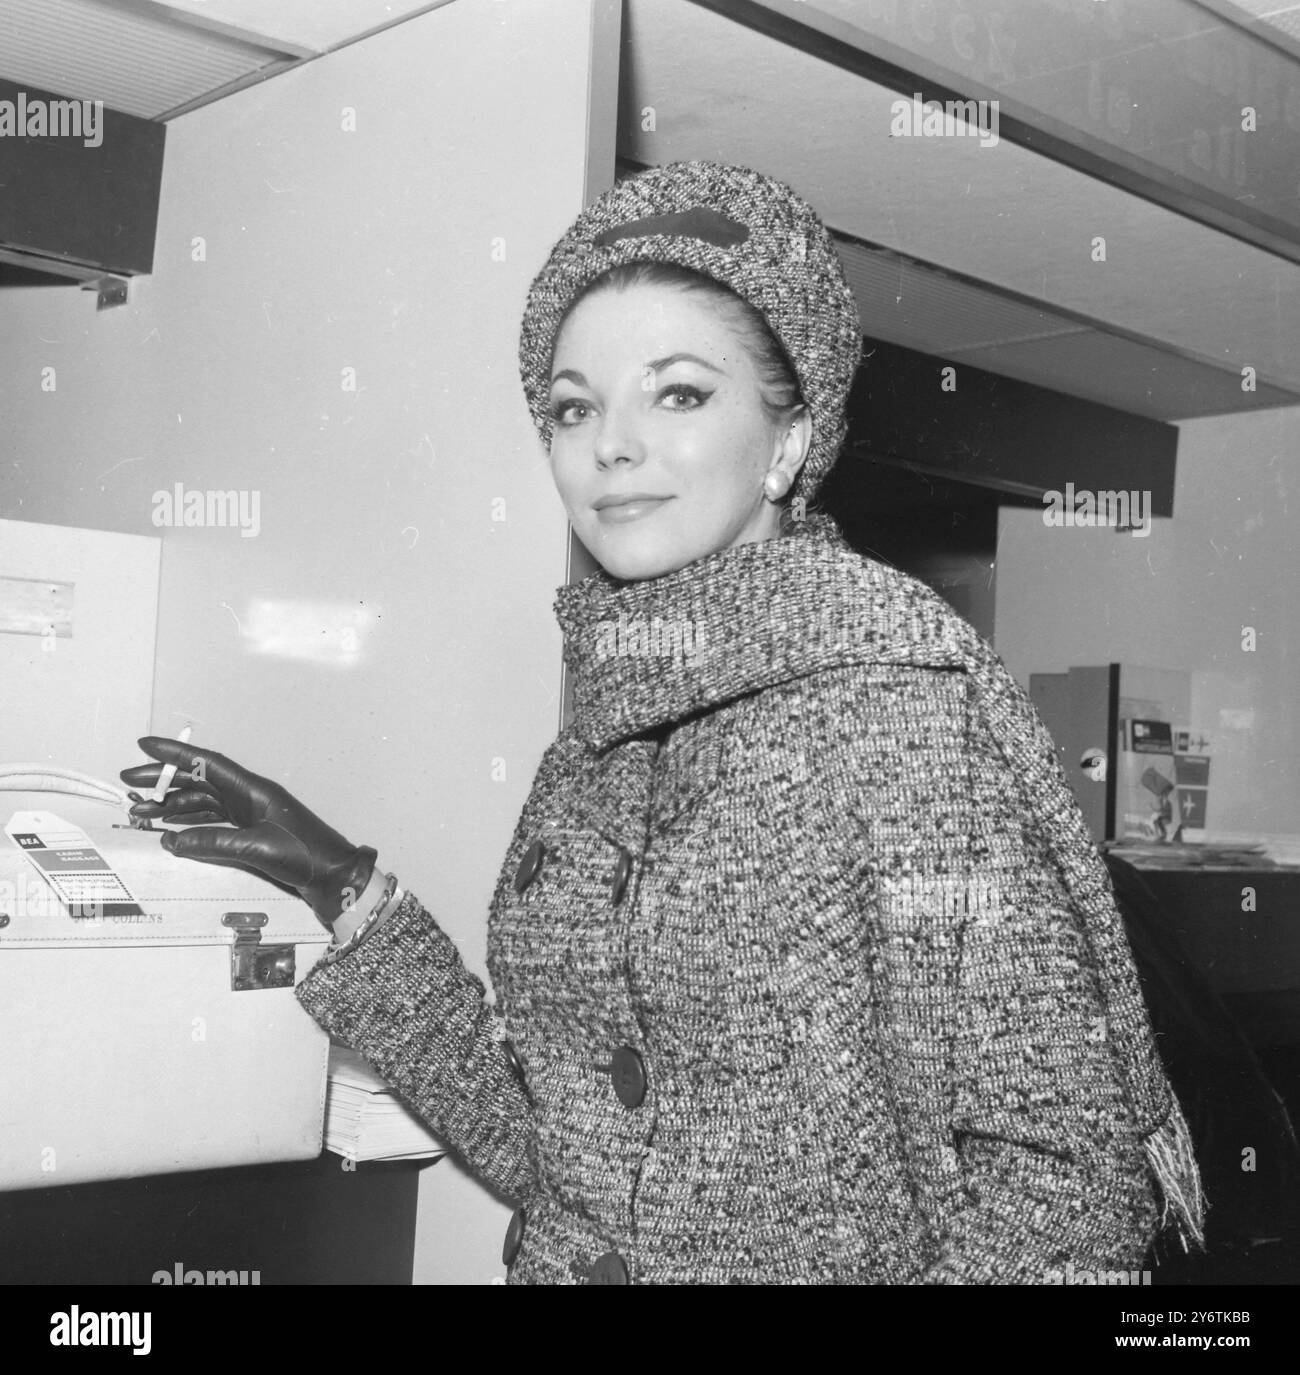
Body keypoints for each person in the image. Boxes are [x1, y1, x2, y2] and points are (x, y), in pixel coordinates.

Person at [121, 159, 1203, 1284]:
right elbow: (558, 1147)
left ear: (789, 443)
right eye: (574, 406)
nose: (610, 445)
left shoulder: (895, 700)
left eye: (677, 392)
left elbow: (1066, 1195)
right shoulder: (600, 735)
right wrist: (343, 886)